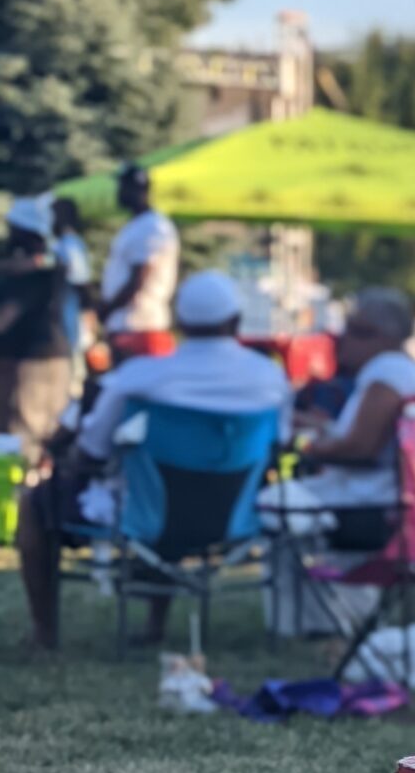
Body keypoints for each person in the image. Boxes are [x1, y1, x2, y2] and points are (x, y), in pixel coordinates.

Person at [17, 269, 288, 650]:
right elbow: (283, 443)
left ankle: (44, 632)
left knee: (35, 504)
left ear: (179, 322)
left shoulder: (141, 378)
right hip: (238, 518)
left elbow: (92, 450)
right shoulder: (270, 380)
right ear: (235, 321)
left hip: (148, 516)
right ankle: (154, 624)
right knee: (164, 488)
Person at [261, 286, 415, 535]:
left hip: (366, 504)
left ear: (381, 337)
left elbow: (360, 450)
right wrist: (324, 428)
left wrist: (303, 445)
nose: (341, 340)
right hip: (393, 501)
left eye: (353, 331)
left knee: (267, 501)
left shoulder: (386, 372)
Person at [0, 196, 75, 472]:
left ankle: (21, 510)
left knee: (22, 441)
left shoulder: (33, 275)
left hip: (31, 366)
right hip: (50, 361)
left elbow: (5, 318)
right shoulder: (44, 267)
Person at [99, 165, 180, 356]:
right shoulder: (138, 224)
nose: (119, 193)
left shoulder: (152, 226)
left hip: (139, 326)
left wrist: (107, 309)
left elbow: (140, 277)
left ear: (138, 190)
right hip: (129, 325)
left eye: (123, 187)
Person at [50, 196, 93, 360]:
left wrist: (90, 317)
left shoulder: (70, 245)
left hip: (69, 327)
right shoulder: (62, 243)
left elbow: (82, 283)